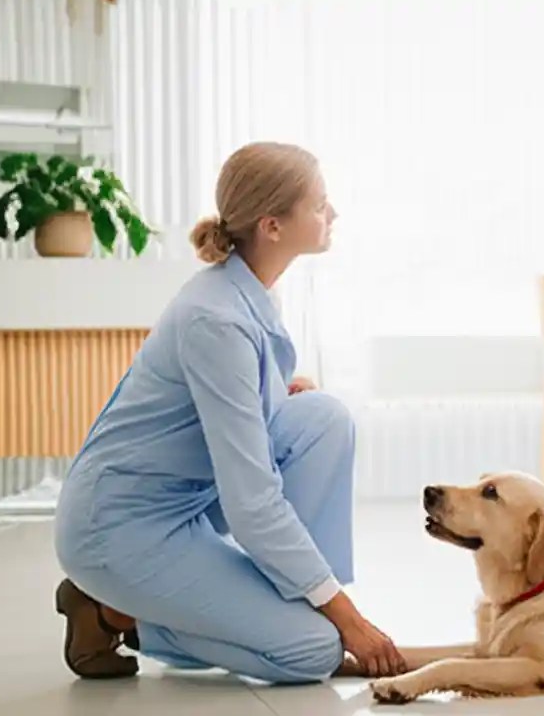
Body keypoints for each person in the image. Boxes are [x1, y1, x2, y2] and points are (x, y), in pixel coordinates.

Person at [53, 142, 407, 683]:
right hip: (121, 527)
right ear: (272, 226)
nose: (332, 214)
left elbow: (224, 398)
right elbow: (252, 503)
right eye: (319, 205)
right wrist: (350, 622)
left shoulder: (249, 289)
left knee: (322, 419)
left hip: (181, 496)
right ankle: (113, 611)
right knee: (313, 651)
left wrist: (275, 390)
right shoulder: (216, 319)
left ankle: (292, 599)